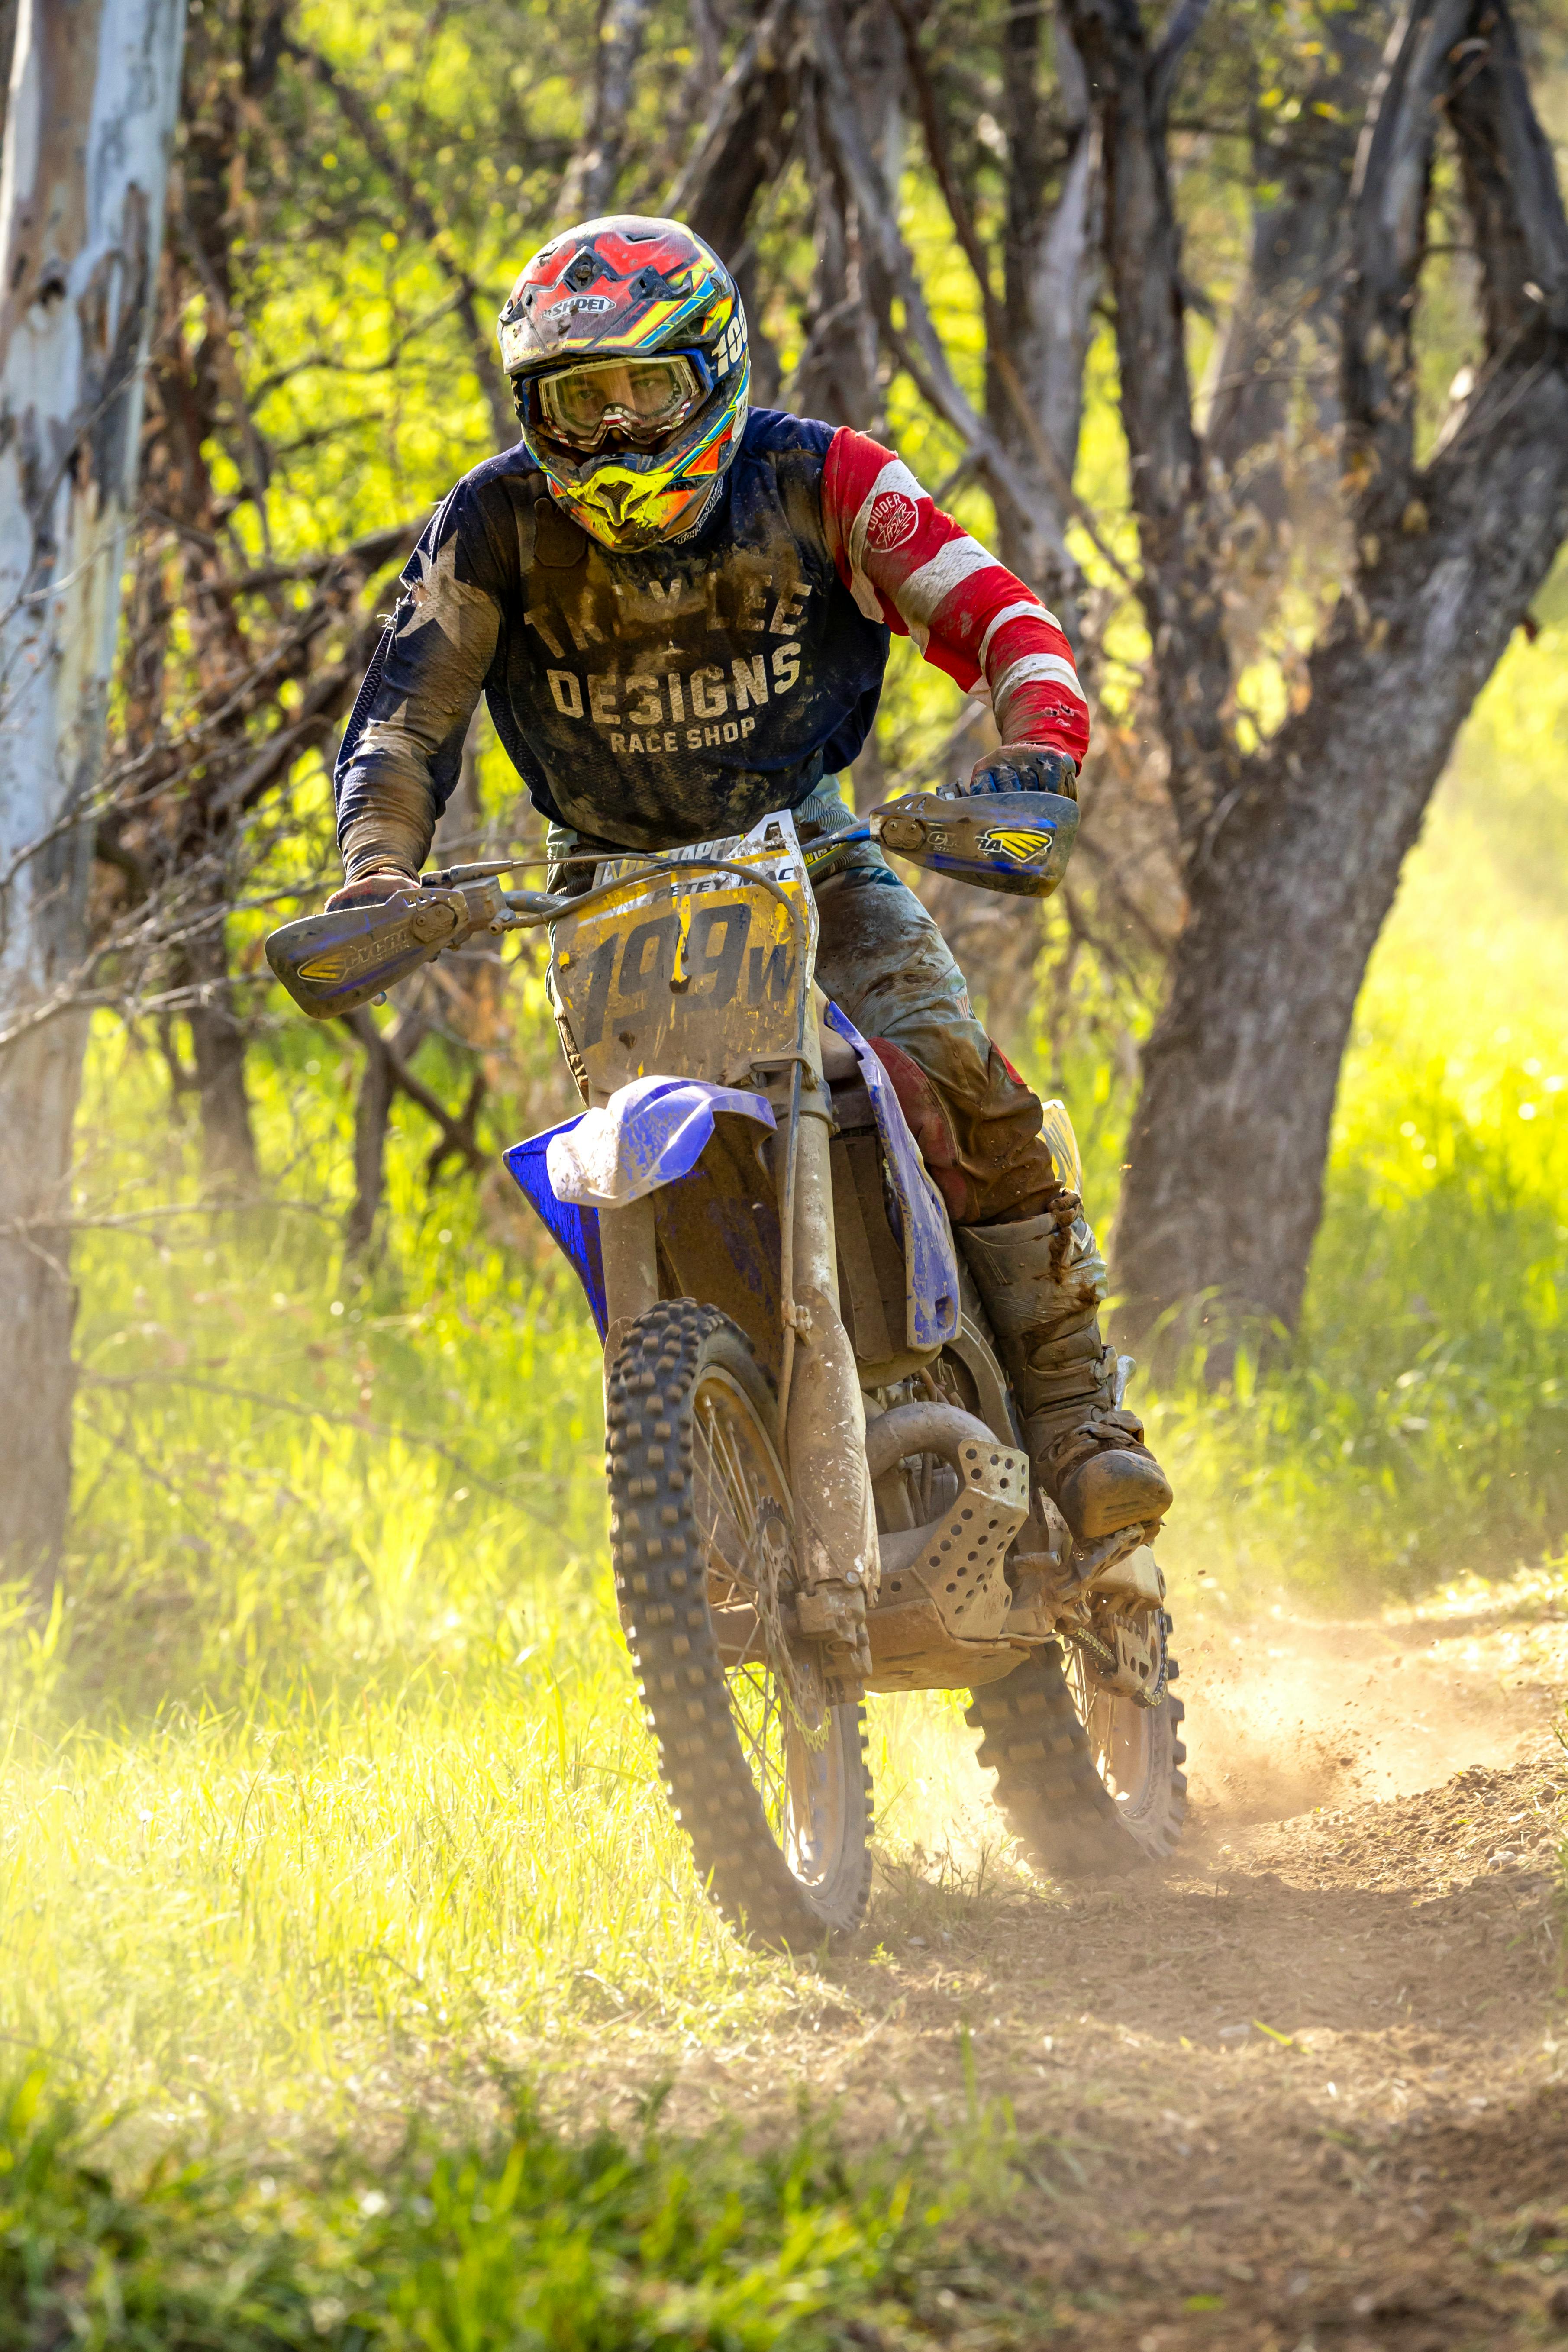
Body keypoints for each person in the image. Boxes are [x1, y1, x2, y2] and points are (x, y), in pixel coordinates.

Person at [331, 215, 1172, 1547]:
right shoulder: (490, 524)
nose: (616, 433)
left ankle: (1078, 1417)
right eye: (580, 402)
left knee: (952, 1061)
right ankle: (703, 1462)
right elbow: (400, 723)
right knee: (616, 1166)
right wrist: (379, 868)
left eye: (645, 390)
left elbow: (1001, 615)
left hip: (811, 851)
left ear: (713, 371)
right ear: (533, 411)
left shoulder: (821, 480)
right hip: (606, 889)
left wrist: (1039, 748)